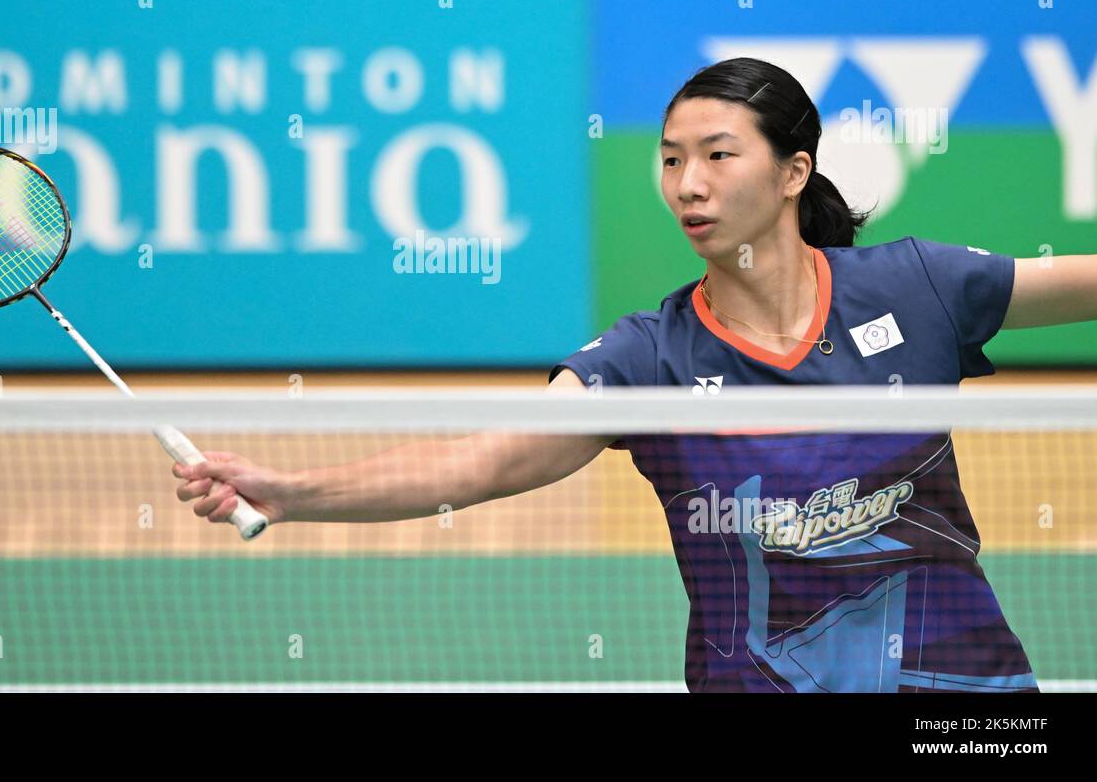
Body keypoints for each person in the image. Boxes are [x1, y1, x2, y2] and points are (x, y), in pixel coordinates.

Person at [173, 57, 1097, 692]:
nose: (686, 184)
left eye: (717, 156)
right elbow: (486, 461)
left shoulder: (919, 285)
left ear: (791, 172)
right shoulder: (647, 357)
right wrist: (293, 492)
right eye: (669, 161)